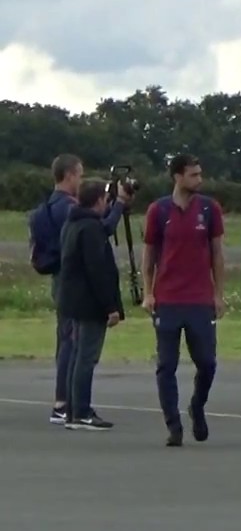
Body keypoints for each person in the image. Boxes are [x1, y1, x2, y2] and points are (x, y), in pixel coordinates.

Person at [28, 153, 129, 424]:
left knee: (67, 341)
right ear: (70, 174)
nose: (80, 180)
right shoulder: (69, 209)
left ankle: (66, 402)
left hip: (62, 279)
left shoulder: (47, 208)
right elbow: (99, 230)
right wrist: (117, 205)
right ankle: (68, 403)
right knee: (76, 345)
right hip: (76, 282)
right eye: (80, 175)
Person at [142, 154, 226, 447]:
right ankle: (173, 425)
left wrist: (218, 294)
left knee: (207, 362)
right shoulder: (158, 210)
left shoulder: (209, 208)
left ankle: (197, 405)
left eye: (200, 174)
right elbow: (149, 254)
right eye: (193, 175)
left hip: (200, 298)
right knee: (167, 364)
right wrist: (148, 292)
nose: (199, 180)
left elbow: (217, 253)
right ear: (177, 177)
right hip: (168, 298)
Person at [56, 179, 124, 432]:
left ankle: (73, 411)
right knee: (86, 357)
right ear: (98, 201)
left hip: (72, 301)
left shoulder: (72, 224)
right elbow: (98, 270)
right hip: (88, 303)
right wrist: (110, 306)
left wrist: (119, 206)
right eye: (106, 200)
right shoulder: (91, 229)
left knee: (76, 354)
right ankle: (81, 411)